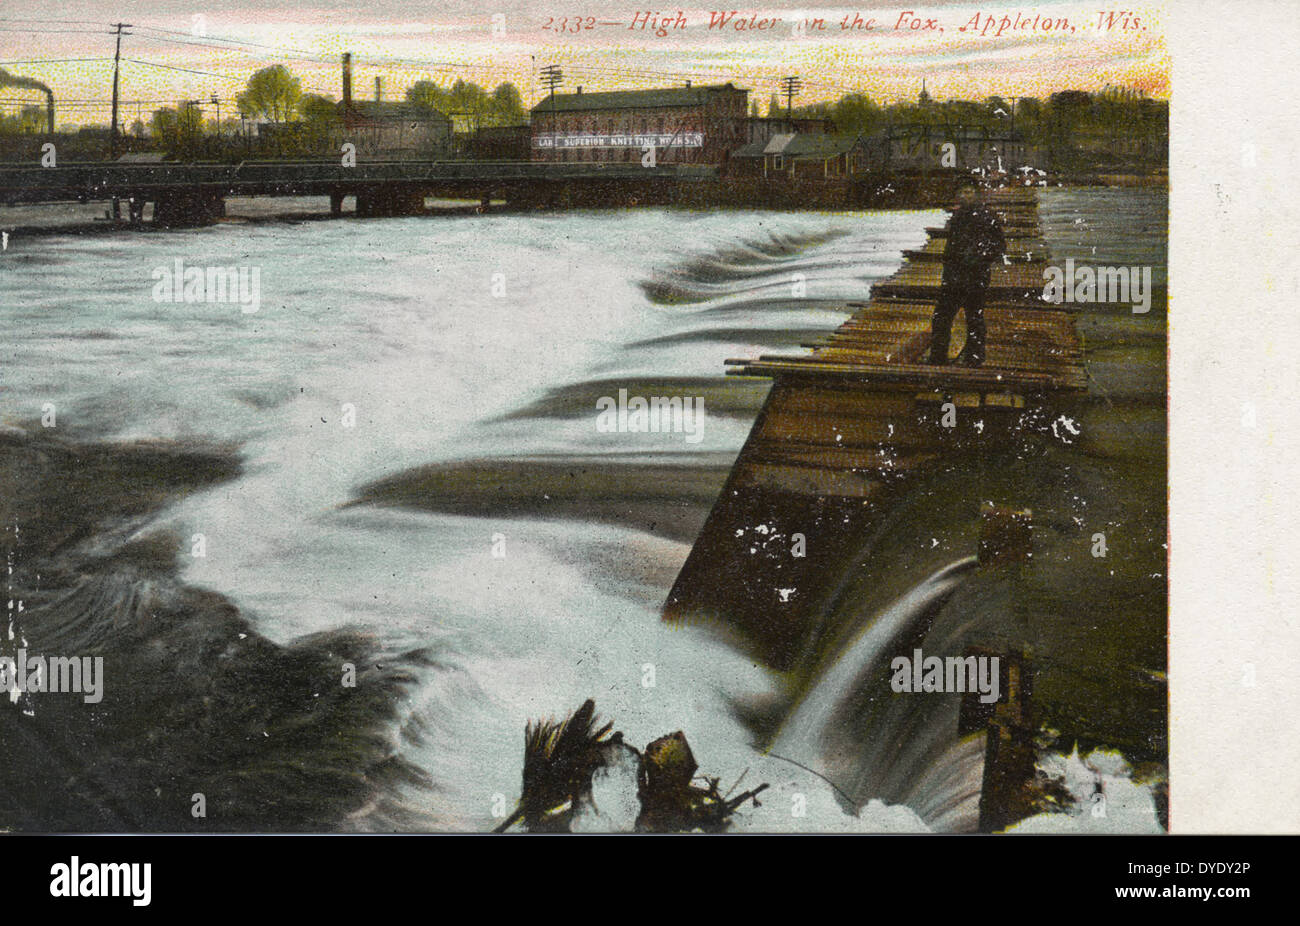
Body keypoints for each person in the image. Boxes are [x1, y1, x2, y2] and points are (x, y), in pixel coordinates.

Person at [928, 181, 1006, 366]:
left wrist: (980, 258)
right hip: (954, 277)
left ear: (976, 195)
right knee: (942, 317)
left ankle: (974, 358)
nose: (966, 196)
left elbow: (1000, 246)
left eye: (969, 192)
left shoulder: (987, 217)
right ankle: (938, 357)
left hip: (975, 276)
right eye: (962, 192)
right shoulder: (958, 216)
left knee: (974, 318)